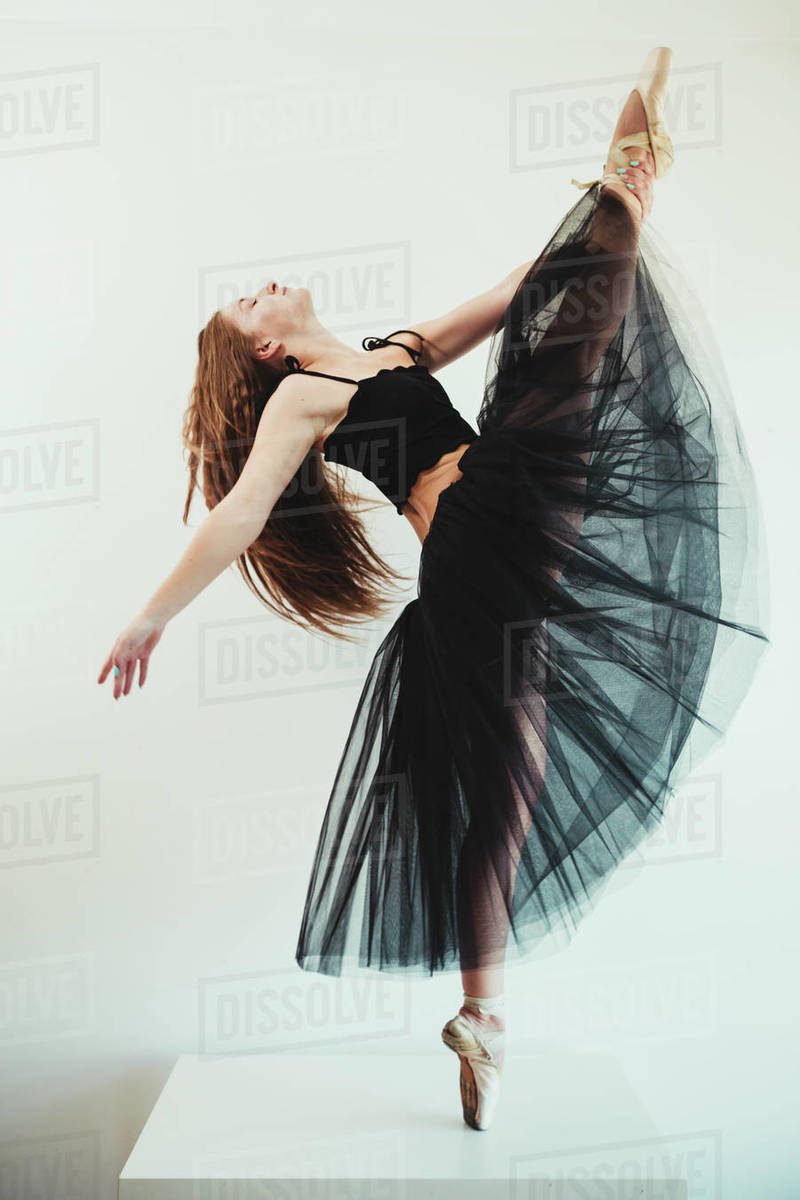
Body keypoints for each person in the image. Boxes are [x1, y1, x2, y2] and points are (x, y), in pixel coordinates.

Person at [98, 48, 770, 1131]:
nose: (262, 281)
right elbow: (235, 514)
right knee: (503, 784)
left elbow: (510, 298)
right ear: (265, 349)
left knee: (511, 778)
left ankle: (475, 1024)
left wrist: (587, 238)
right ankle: (484, 1019)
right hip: (478, 533)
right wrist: (151, 616)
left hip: (504, 532)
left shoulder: (384, 352)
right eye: (246, 300)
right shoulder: (302, 399)